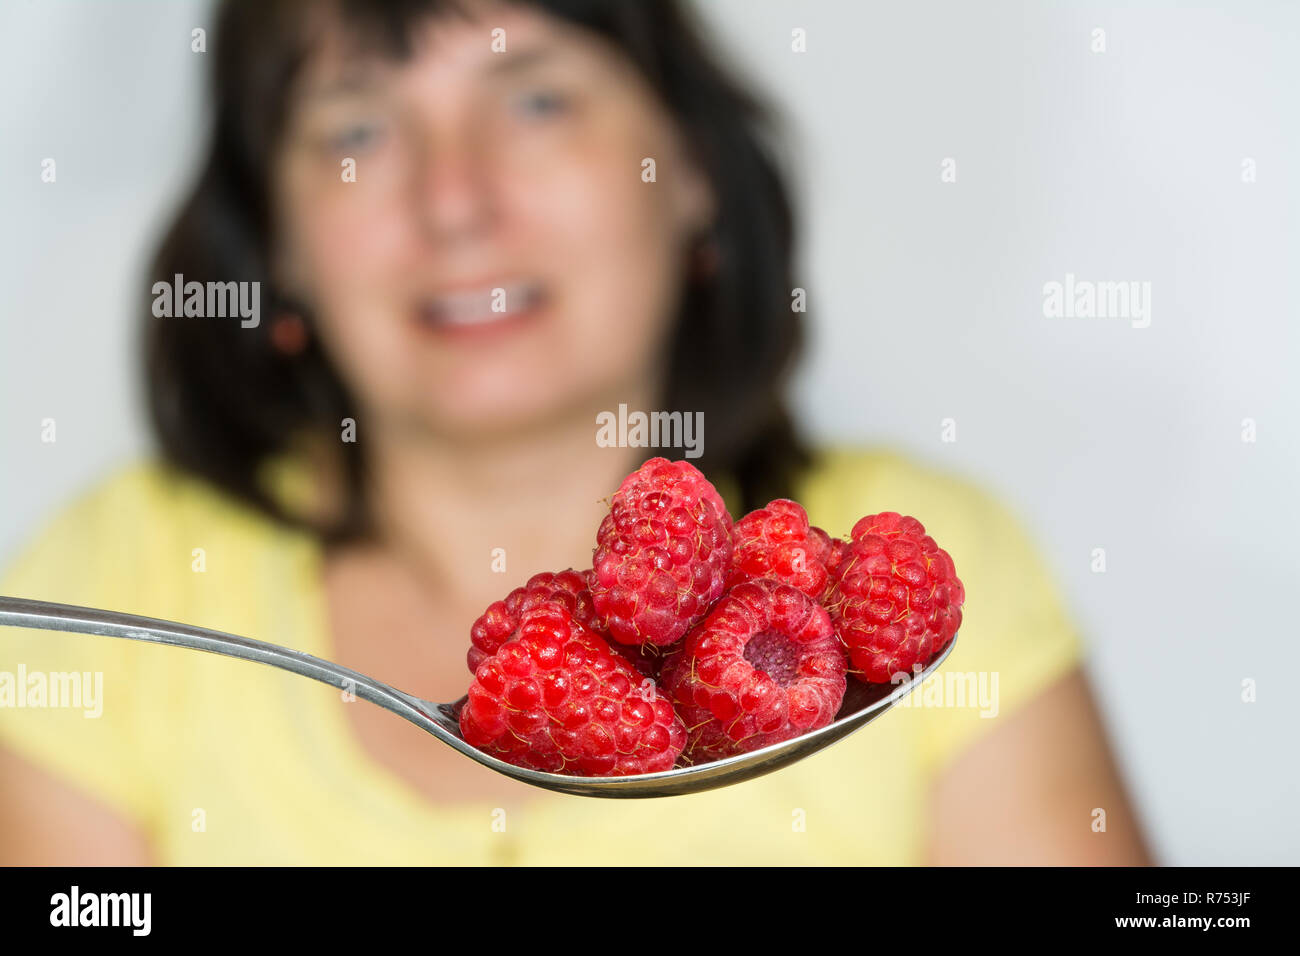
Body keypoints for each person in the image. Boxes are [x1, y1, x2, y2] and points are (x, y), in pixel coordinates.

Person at [0, 0, 1150, 865]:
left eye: (537, 98)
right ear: (279, 249)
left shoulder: (914, 561)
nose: (454, 198)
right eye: (356, 127)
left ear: (689, 171)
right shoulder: (122, 582)